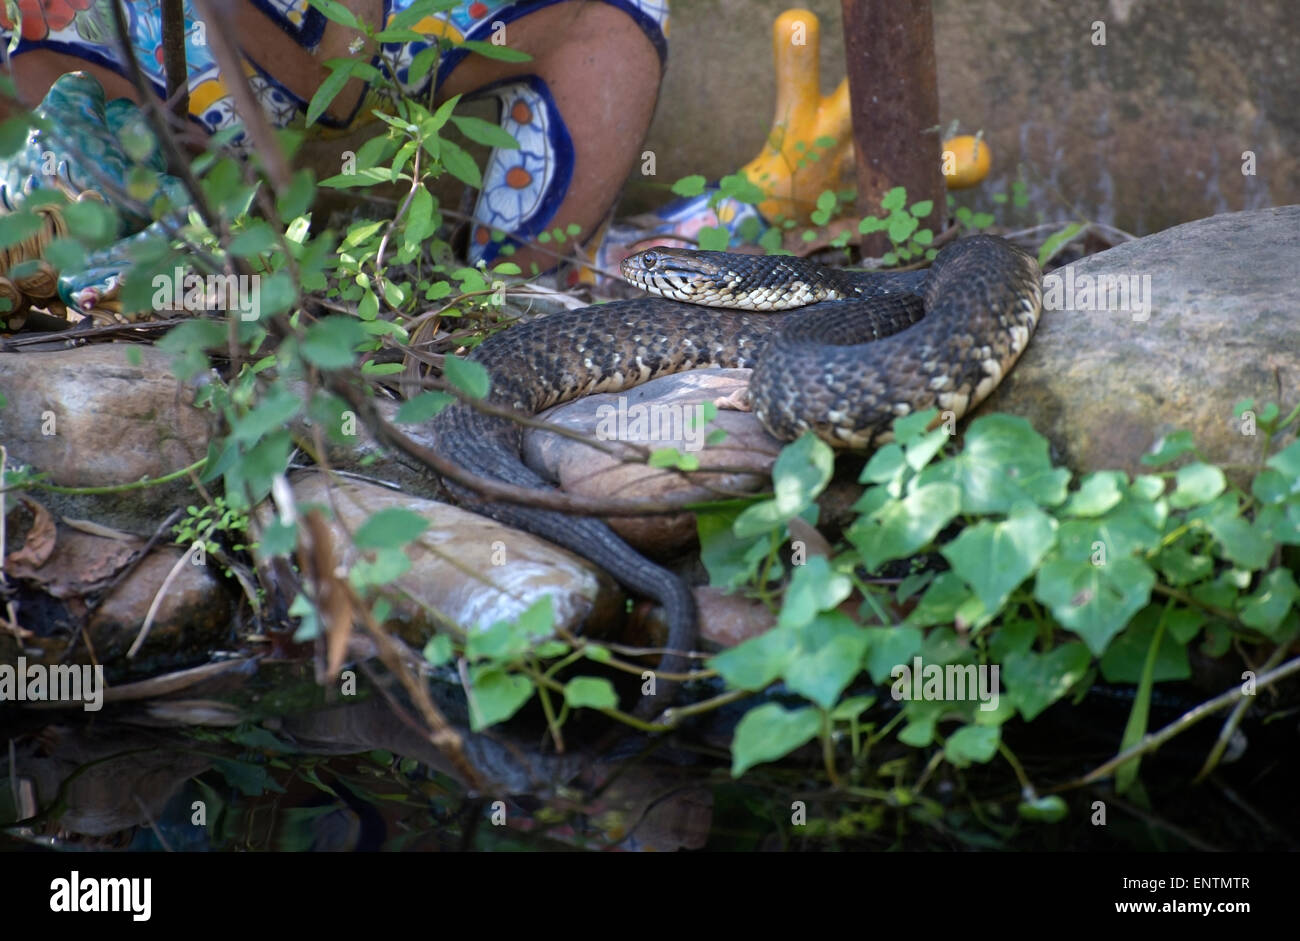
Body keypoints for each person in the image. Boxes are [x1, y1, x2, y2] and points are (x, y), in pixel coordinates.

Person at [0, 0, 669, 272]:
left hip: (339, 45)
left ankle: (512, 314)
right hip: (110, 72)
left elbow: (343, 90)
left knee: (613, 13)